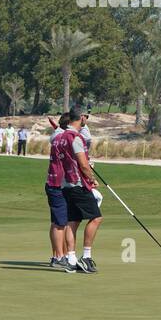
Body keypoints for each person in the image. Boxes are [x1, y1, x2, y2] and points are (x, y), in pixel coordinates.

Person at [63, 111, 103, 273]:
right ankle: (86, 257)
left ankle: (71, 259)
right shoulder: (74, 137)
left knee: (73, 221)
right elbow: (83, 164)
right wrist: (91, 178)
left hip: (65, 184)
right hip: (78, 184)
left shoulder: (61, 137)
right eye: (85, 116)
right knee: (96, 217)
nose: (86, 119)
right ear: (81, 117)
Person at [45, 113, 80, 273]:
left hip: (57, 184)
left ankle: (58, 256)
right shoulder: (62, 137)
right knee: (60, 223)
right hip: (57, 184)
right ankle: (59, 257)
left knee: (59, 222)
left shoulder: (58, 136)